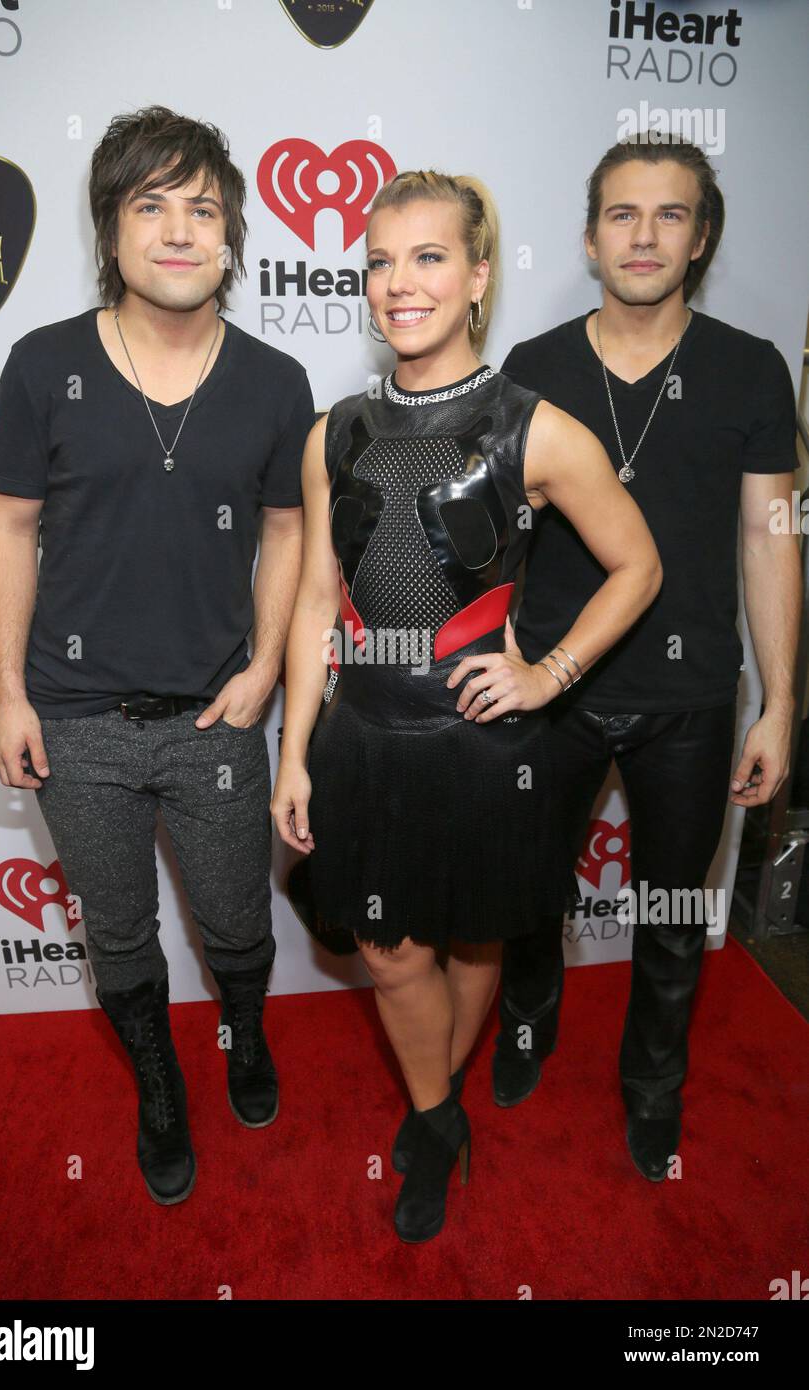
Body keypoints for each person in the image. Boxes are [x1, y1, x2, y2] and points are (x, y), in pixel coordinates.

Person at [271, 169, 663, 1243]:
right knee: (393, 949)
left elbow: (638, 565)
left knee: (479, 941)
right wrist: (294, 752)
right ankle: (439, 1116)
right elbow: (313, 599)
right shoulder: (332, 432)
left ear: (478, 276)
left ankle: (432, 1117)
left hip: (484, 745)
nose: (400, 283)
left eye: (429, 256)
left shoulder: (533, 427)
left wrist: (548, 674)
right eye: (381, 261)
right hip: (362, 737)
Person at [0, 106, 315, 1206]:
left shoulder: (273, 382)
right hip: (75, 720)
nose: (178, 230)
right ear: (110, 230)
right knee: (116, 931)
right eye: (150, 205)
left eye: (203, 208)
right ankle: (159, 1082)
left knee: (235, 921)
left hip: (216, 716)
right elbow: (10, 532)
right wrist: (14, 694)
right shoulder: (43, 364)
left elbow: (284, 537)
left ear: (230, 237)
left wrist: (263, 668)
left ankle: (244, 1031)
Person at [495, 136, 801, 1182]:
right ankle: (525, 1028)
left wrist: (776, 704)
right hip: (552, 687)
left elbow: (770, 538)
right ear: (589, 238)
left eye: (668, 214)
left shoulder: (748, 366)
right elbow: (496, 544)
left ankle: (650, 1086)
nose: (642, 234)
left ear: (699, 236)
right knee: (529, 894)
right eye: (621, 214)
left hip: (688, 697)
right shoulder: (531, 369)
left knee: (673, 916)